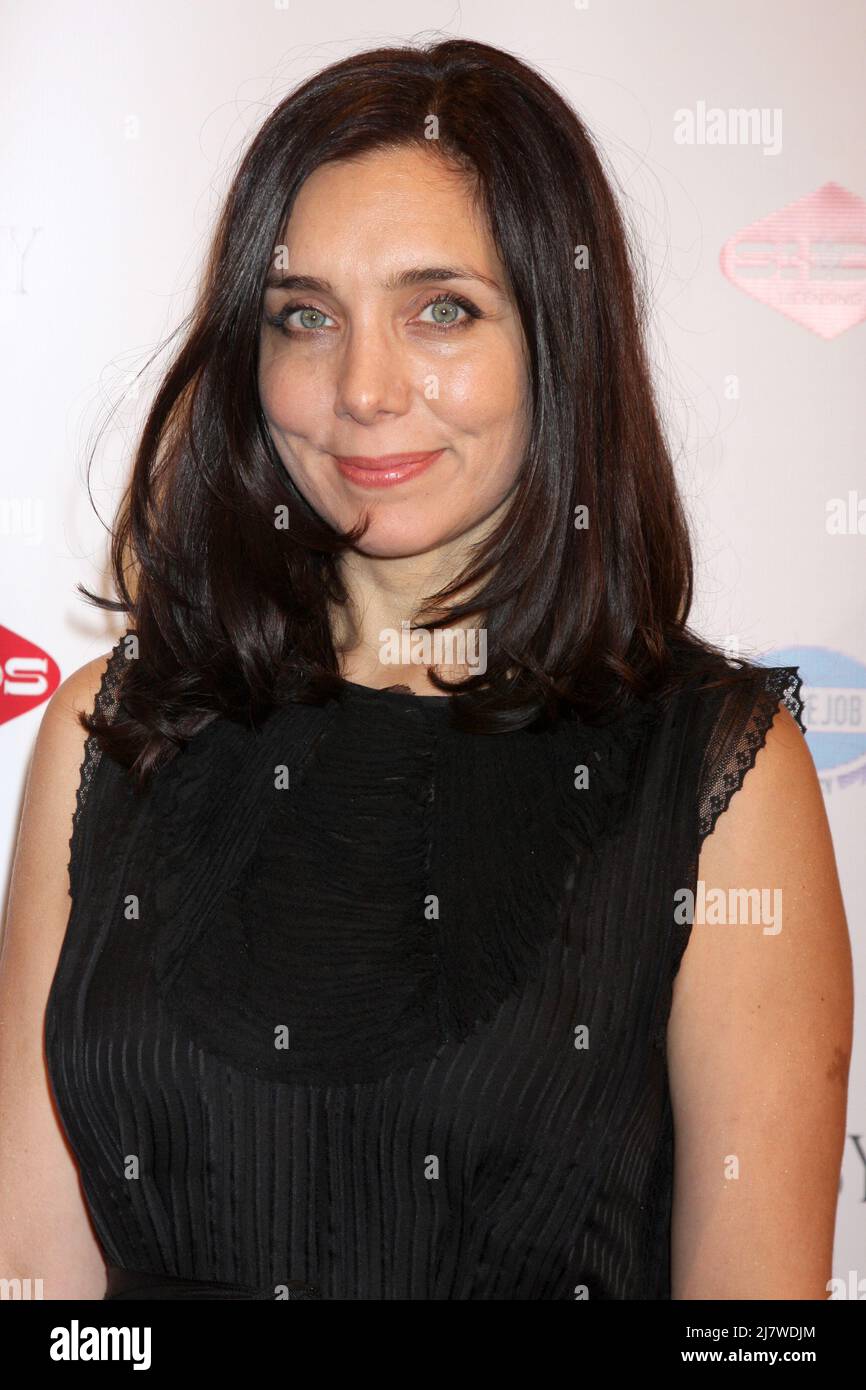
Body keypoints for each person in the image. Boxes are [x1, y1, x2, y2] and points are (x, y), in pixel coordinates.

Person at [0, 37, 852, 1301]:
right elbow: (37, 1281)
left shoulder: (711, 775)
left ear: (557, 341)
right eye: (305, 316)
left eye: (440, 309)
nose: (362, 389)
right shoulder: (113, 734)